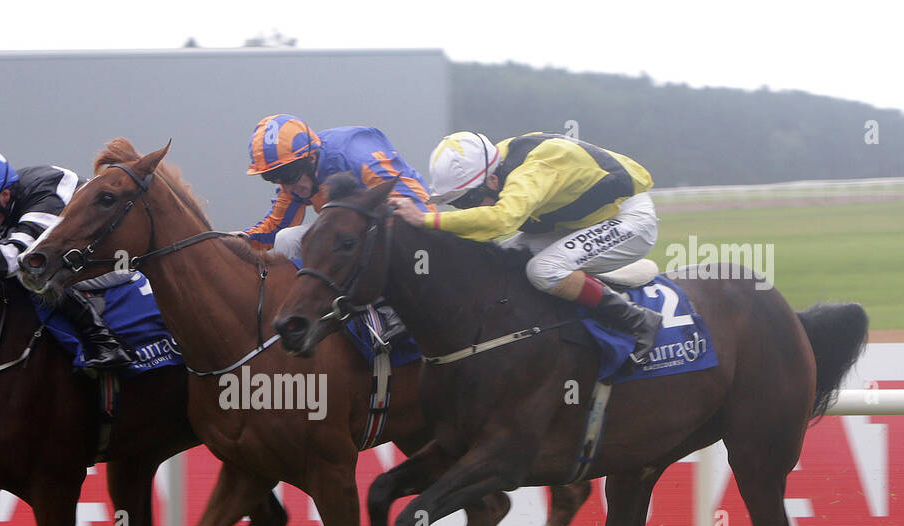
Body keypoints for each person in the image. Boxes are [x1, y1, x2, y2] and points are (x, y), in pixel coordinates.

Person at [391, 131, 663, 363]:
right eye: (457, 205)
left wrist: (425, 220)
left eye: (467, 202)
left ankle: (638, 320)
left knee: (543, 270)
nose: (465, 210)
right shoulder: (496, 168)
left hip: (628, 221)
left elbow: (500, 220)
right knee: (500, 261)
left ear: (492, 181)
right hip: (577, 222)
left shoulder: (534, 170)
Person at [0, 147, 132, 368]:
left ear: (4, 196)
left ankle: (104, 342)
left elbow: (9, 262)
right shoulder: (5, 198)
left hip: (117, 263)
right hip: (78, 252)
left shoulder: (46, 197)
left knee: (30, 273)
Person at [244, 114, 433, 260]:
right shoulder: (296, 179)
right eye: (272, 178)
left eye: (288, 175)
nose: (285, 187)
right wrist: (240, 240)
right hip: (349, 236)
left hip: (393, 234)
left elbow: (417, 209)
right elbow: (276, 227)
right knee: (287, 238)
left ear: (311, 159)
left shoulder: (358, 157)